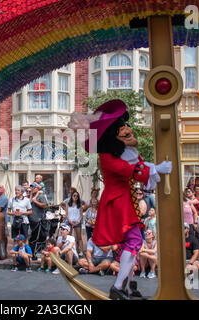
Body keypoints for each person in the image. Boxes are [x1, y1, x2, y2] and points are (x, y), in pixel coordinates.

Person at [70, 99, 171, 300]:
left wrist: (154, 169)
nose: (127, 128)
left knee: (130, 244)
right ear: (112, 135)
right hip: (117, 202)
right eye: (122, 127)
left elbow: (139, 164)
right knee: (134, 241)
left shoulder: (127, 151)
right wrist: (156, 169)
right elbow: (128, 170)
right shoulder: (108, 155)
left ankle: (128, 286)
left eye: (126, 125)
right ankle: (118, 287)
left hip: (125, 200)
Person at [60, 190, 84, 256]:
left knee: (79, 237)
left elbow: (81, 215)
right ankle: (68, 249)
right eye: (74, 195)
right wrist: (70, 221)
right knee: (69, 236)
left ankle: (81, 251)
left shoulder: (80, 205)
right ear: (72, 196)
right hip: (69, 221)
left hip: (77, 222)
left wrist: (78, 221)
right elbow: (66, 214)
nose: (75, 197)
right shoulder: (68, 204)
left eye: (77, 196)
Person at [29, 183, 48, 257]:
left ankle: (37, 254)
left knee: (38, 239)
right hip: (32, 221)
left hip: (39, 221)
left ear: (37, 189)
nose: (32, 189)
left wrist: (35, 201)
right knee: (32, 238)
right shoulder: (32, 196)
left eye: (33, 188)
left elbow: (44, 205)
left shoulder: (41, 196)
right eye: (31, 188)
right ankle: (33, 254)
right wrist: (31, 195)